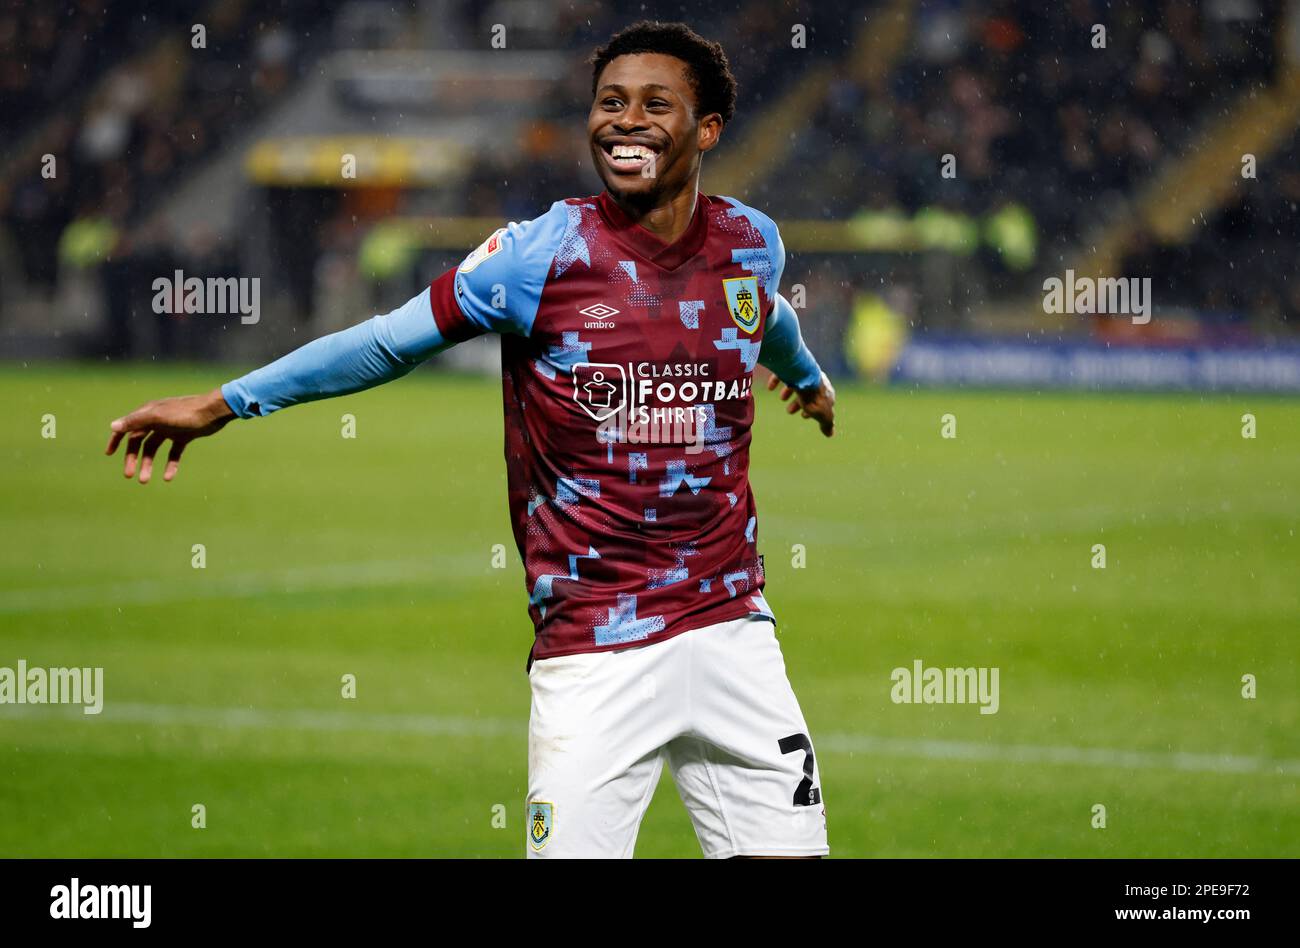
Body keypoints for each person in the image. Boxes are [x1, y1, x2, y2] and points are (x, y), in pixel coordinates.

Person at [106, 21, 836, 859]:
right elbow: (384, 341)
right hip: (595, 647)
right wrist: (226, 401)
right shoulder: (538, 256)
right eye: (609, 103)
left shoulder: (752, 242)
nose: (625, 121)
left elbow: (764, 313)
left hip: (732, 627)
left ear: (707, 130)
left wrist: (808, 378)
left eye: (654, 105)